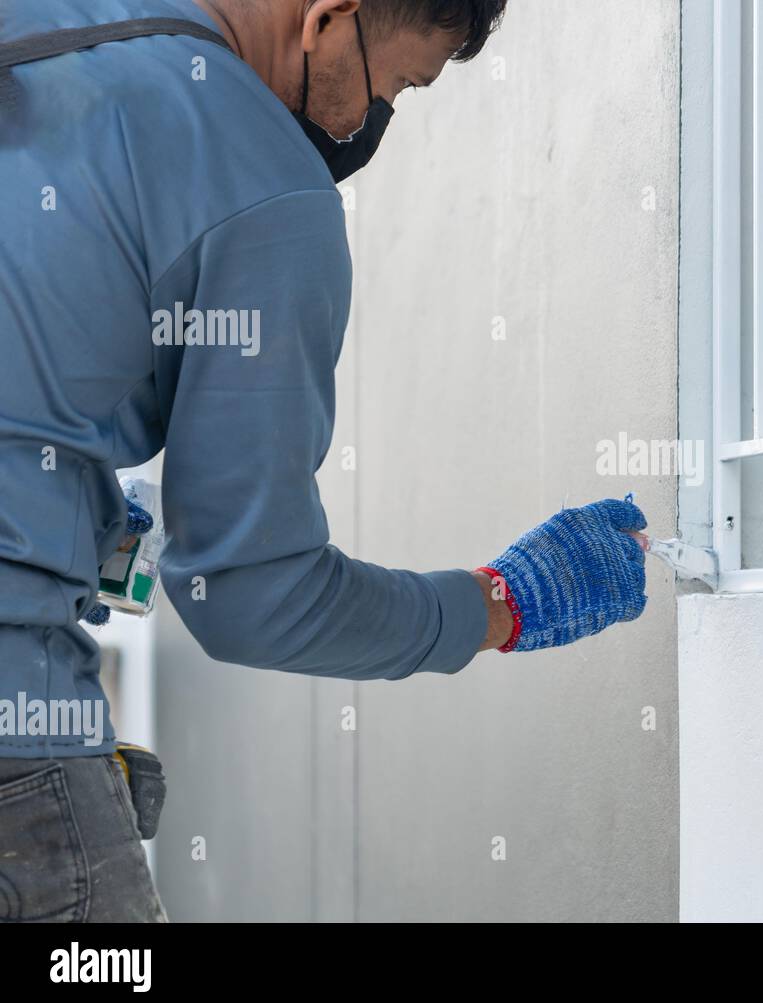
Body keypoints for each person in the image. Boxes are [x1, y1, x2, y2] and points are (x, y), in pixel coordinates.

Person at [0, 0, 648, 922]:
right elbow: (252, 597)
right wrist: (502, 604)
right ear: (328, 17)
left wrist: (79, 509)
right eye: (396, 84)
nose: (369, 122)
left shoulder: (53, 25)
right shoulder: (266, 189)